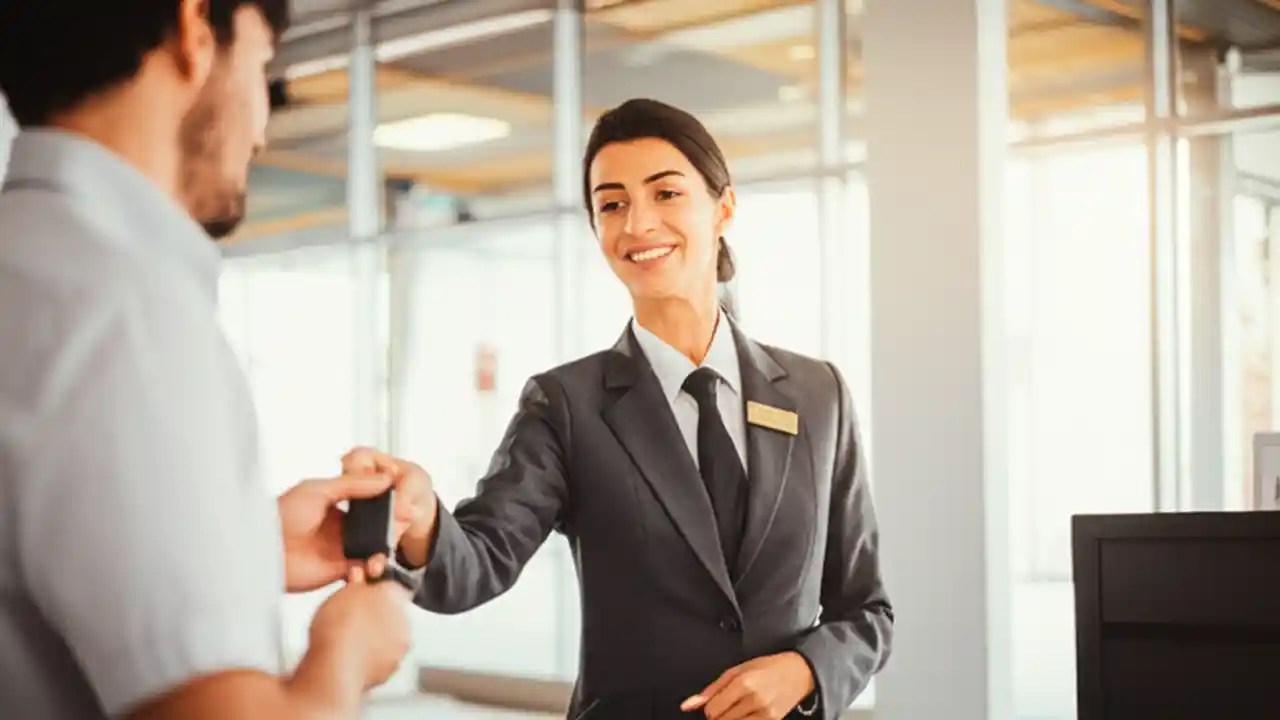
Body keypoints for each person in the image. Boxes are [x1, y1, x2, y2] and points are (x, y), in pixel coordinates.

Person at [344, 98, 893, 720]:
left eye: (666, 194)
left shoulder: (818, 395)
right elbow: (480, 559)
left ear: (723, 208)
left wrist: (804, 670)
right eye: (612, 204)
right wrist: (422, 523)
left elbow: (866, 609)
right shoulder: (566, 406)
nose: (638, 223)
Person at [0, 3, 417, 719]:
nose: (261, 127)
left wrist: (246, 547)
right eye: (261, 62)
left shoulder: (29, 266)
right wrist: (348, 653)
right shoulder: (127, 311)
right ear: (195, 30)